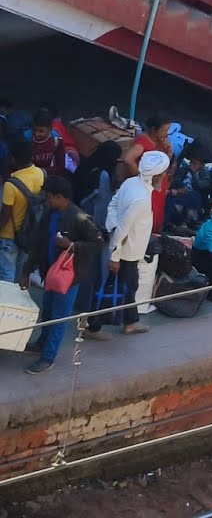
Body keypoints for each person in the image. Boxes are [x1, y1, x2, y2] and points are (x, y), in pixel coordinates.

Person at [19, 175, 103, 373]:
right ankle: (42, 343)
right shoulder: (49, 214)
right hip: (50, 273)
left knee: (58, 316)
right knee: (47, 311)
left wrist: (72, 246)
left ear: (60, 197)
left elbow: (98, 243)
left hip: (68, 277)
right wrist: (27, 270)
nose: (47, 201)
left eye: (50, 197)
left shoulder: (79, 218)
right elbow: (38, 243)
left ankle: (48, 357)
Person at [87, 150, 169, 339]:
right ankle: (93, 326)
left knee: (128, 288)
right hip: (125, 253)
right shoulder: (140, 198)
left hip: (128, 251)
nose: (164, 177)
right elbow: (124, 228)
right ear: (156, 175)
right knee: (112, 289)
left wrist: (112, 227)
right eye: (163, 173)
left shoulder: (131, 184)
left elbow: (113, 206)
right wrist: (115, 255)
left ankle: (129, 322)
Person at [1, 140, 46, 283]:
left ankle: (5, 304)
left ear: (13, 159)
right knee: (21, 272)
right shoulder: (41, 173)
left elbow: (6, 215)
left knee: (6, 274)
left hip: (9, 235)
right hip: (30, 233)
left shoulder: (11, 184)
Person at [123, 115, 172, 233]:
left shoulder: (162, 142)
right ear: (153, 130)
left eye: (167, 130)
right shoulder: (143, 142)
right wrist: (142, 178)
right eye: (163, 130)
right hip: (148, 188)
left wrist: (169, 153)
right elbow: (128, 159)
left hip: (158, 186)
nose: (166, 134)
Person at [28, 109, 66, 176]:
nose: (36, 134)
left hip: (48, 178)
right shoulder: (27, 141)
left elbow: (60, 167)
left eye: (41, 131)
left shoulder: (57, 142)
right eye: (34, 130)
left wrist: (40, 171)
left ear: (50, 129)